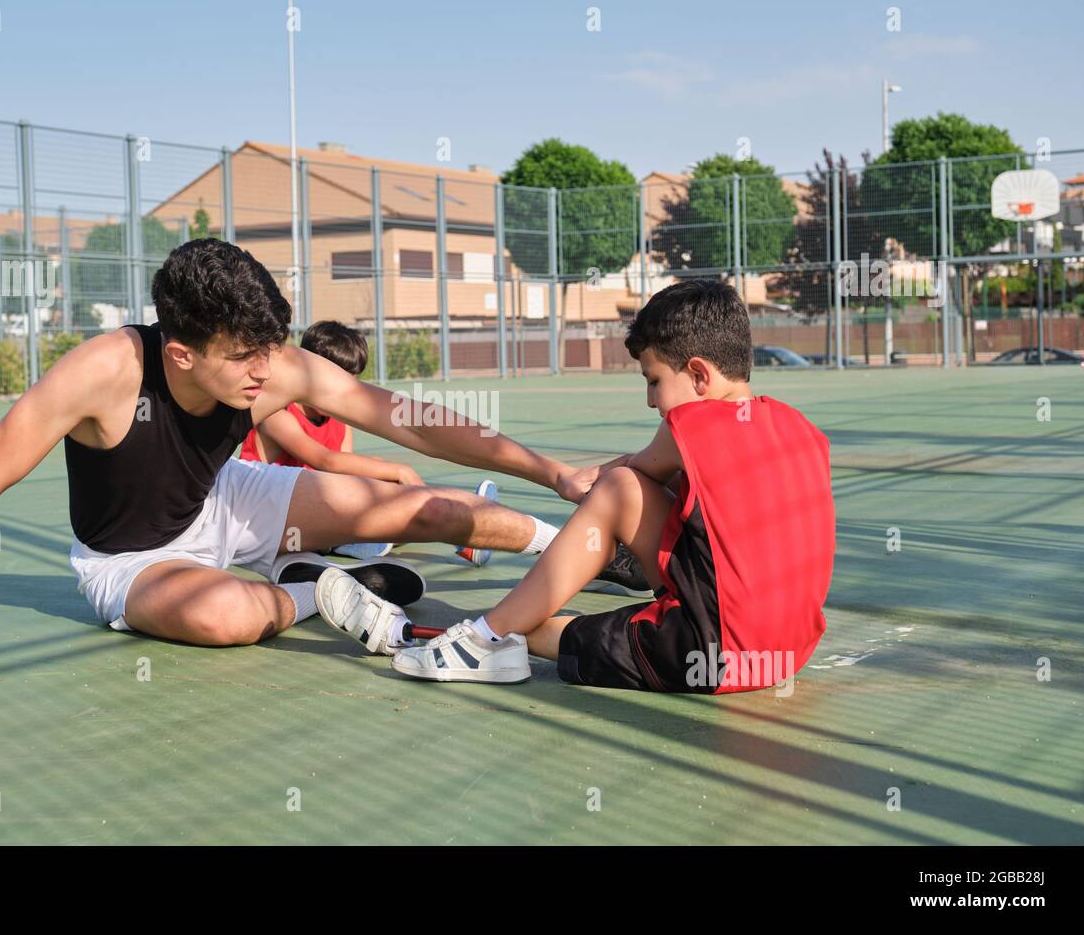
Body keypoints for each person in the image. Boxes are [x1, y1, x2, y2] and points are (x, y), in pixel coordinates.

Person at [0, 239, 619, 682]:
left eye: (270, 347)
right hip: (132, 560)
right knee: (227, 614)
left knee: (445, 509)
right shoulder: (102, 373)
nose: (267, 371)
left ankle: (586, 548)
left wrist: (552, 473)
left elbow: (406, 420)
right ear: (181, 353)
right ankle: (321, 592)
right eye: (245, 356)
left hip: (232, 497)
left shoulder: (266, 364)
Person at [315, 279, 835, 694]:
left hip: (712, 653)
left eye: (654, 381)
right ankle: (582, 579)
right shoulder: (800, 429)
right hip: (790, 646)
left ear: (699, 375)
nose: (652, 400)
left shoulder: (694, 426)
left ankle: (475, 638)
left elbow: (624, 480)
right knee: (627, 495)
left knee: (540, 623)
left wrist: (584, 496)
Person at [238, 319, 497, 565]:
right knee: (385, 477)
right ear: (313, 372)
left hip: (308, 507)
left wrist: (386, 480)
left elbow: (346, 471)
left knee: (375, 471)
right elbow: (325, 460)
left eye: (353, 379)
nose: (345, 388)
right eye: (340, 379)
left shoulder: (338, 417)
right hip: (264, 522)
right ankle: (356, 537)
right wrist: (400, 471)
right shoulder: (276, 414)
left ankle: (454, 530)